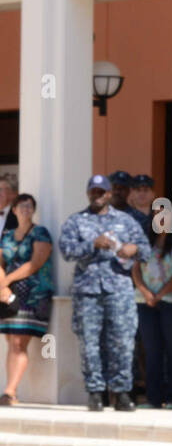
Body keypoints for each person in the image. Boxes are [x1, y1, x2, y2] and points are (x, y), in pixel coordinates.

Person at [58, 174, 151, 411]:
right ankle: (96, 392)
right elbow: (67, 251)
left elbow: (146, 251)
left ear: (109, 194)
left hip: (119, 289)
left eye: (102, 192)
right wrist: (92, 244)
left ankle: (121, 392)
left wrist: (134, 249)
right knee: (89, 343)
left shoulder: (127, 221)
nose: (97, 195)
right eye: (93, 191)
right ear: (88, 193)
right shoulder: (76, 221)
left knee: (122, 341)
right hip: (87, 291)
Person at [0, 194, 55, 405]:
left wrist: (6, 281)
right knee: (10, 342)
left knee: (18, 341)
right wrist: (3, 286)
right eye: (21, 206)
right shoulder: (7, 235)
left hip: (33, 295)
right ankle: (10, 391)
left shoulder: (40, 233)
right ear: (13, 209)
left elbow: (35, 263)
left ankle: (10, 392)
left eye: (29, 206)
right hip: (8, 296)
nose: (25, 209)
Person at [131, 213, 172, 408]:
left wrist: (160, 294)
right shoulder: (144, 242)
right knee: (152, 351)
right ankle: (153, 398)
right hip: (145, 302)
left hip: (170, 301)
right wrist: (146, 293)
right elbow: (135, 269)